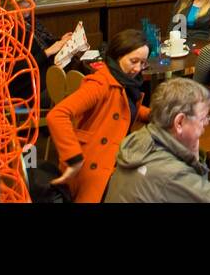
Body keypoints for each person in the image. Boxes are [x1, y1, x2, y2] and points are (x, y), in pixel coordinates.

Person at [47, 29, 152, 202]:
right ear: (117, 56)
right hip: (94, 163)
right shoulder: (100, 83)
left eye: (143, 63)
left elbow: (124, 107)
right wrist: (73, 157)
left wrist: (154, 114)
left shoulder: (124, 82)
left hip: (113, 160)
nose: (138, 69)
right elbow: (57, 114)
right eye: (134, 61)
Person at [6, 0, 72, 103]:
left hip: (45, 76)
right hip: (27, 90)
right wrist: (47, 53)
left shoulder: (28, 19)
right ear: (14, 2)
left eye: (34, 0)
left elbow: (46, 41)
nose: (33, 6)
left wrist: (61, 41)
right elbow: (15, 70)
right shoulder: (7, 29)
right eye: (28, 2)